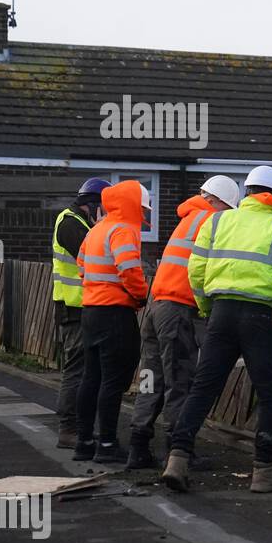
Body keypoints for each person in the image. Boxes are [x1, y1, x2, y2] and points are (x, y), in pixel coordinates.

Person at [164, 165, 272, 494]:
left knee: (203, 388)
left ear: (248, 193)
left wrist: (206, 308)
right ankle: (263, 471)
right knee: (270, 392)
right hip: (257, 316)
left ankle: (177, 460)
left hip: (221, 314)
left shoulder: (216, 221)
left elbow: (195, 270)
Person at [125, 176, 241, 470]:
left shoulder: (189, 218)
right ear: (221, 202)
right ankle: (177, 451)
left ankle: (138, 447)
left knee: (151, 380)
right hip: (179, 311)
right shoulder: (213, 221)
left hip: (156, 308)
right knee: (180, 381)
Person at [73, 179, 151, 463]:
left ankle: (84, 442)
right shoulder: (123, 230)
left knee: (91, 377)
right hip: (115, 314)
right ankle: (107, 443)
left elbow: (81, 265)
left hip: (91, 312)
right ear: (132, 204)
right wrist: (141, 296)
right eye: (142, 209)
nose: (144, 216)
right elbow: (129, 270)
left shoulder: (97, 230)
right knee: (113, 381)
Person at [51, 177, 110, 448]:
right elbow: (91, 254)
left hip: (83, 307)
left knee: (84, 370)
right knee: (75, 370)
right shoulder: (70, 223)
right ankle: (68, 430)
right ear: (93, 205)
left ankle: (78, 428)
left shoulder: (80, 222)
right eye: (104, 208)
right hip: (73, 308)